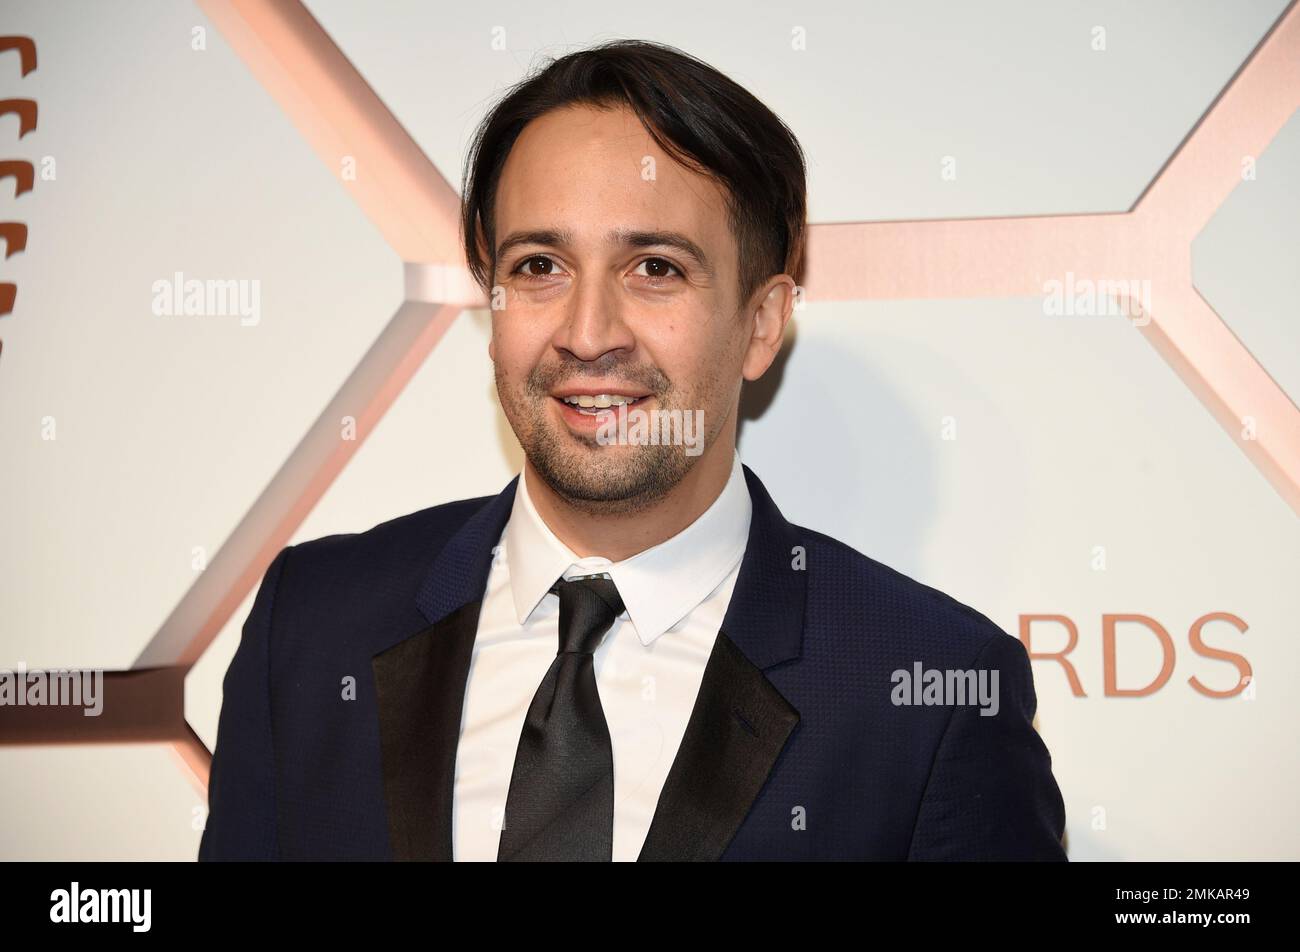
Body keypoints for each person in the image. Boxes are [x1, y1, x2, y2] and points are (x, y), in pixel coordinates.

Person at [199, 39, 1066, 861]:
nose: (586, 335)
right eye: (540, 265)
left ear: (761, 325)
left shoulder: (932, 690)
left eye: (655, 268)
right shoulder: (312, 627)